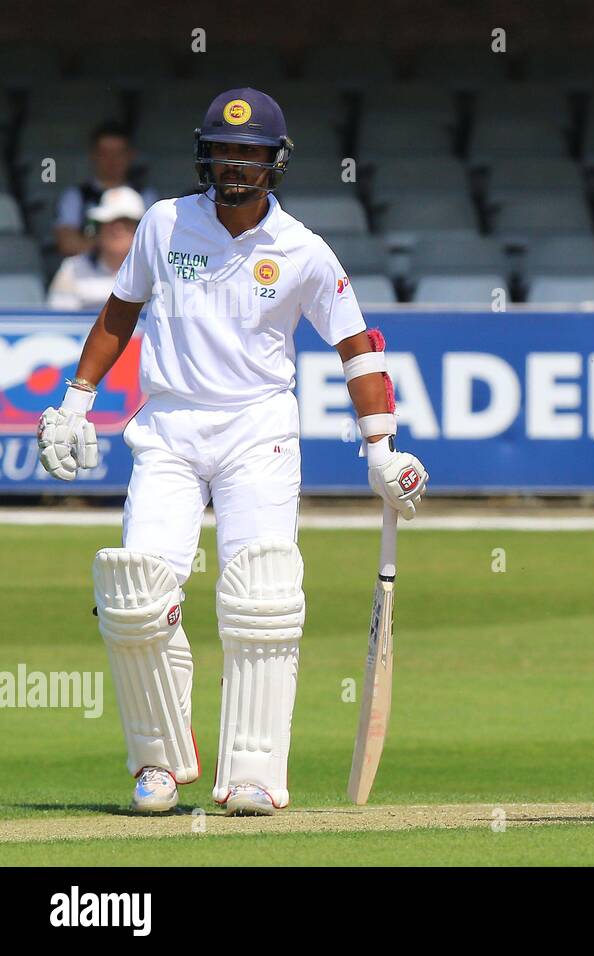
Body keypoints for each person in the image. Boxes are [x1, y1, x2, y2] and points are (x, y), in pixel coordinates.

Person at [35, 88, 429, 817]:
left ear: (274, 162)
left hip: (259, 431)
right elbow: (120, 312)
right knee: (137, 593)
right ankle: (158, 762)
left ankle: (254, 773)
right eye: (222, 150)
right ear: (204, 155)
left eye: (249, 152)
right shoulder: (163, 223)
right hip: (170, 427)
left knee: (262, 596)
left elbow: (359, 348)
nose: (234, 164)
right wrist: (76, 398)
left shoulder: (303, 250)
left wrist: (381, 449)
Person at [54, 122, 159, 258]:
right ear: (93, 155)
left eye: (118, 153)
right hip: (88, 274)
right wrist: (113, 244)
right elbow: (67, 244)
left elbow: (156, 243)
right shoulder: (76, 196)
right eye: (104, 153)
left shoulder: (146, 196)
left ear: (130, 155)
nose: (112, 160)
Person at [47, 186, 144, 310]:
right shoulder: (72, 269)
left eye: (126, 221)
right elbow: (59, 321)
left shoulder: (156, 271)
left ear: (141, 228)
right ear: (98, 227)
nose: (117, 229)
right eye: (109, 221)